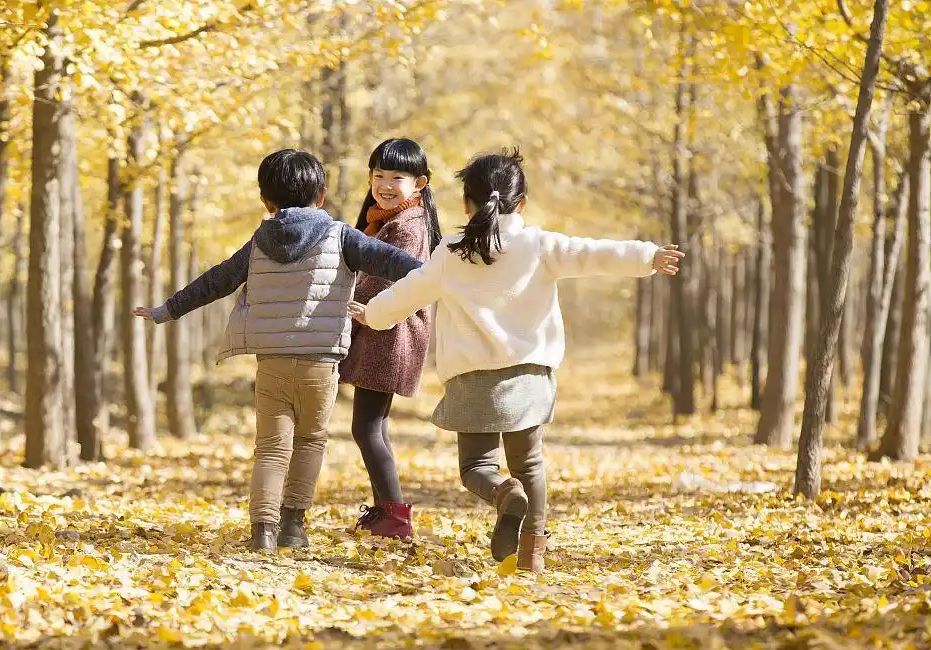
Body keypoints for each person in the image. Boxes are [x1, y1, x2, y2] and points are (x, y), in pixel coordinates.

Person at [350, 149, 682, 572]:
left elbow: (409, 291)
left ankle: (503, 493)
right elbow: (592, 253)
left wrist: (373, 314)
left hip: (472, 380)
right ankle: (532, 554)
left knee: (477, 466)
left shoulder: (451, 252)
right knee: (530, 464)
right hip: (530, 377)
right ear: (521, 203)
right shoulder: (539, 245)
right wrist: (647, 256)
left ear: (466, 204)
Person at [135, 149, 424, 553]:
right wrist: (442, 278)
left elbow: (216, 281)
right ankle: (292, 526)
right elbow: (400, 265)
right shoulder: (342, 236)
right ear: (321, 196)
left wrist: (166, 310)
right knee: (310, 441)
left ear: (265, 200)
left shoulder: (259, 242)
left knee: (271, 447)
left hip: (271, 360)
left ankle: (263, 532)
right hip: (320, 361)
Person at [340, 138, 443, 541]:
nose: (384, 185)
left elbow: (381, 282)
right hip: (383, 331)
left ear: (419, 183)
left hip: (388, 334)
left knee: (366, 427)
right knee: (375, 426)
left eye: (397, 177)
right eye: (378, 175)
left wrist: (341, 301)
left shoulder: (408, 225)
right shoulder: (386, 219)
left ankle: (394, 515)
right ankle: (386, 511)